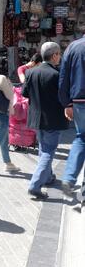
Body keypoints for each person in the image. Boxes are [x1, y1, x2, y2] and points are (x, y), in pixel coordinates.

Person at [22, 42, 69, 200]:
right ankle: (35, 185)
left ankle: (47, 177)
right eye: (59, 54)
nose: (60, 57)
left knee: (43, 149)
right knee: (48, 151)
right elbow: (64, 98)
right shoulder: (57, 74)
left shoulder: (31, 72)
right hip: (53, 119)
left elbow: (25, 94)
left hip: (36, 118)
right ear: (55, 55)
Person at [59, 35, 85, 196]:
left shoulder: (73, 47)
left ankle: (69, 177)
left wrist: (66, 103)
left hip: (78, 101)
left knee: (81, 138)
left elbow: (63, 78)